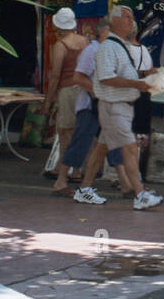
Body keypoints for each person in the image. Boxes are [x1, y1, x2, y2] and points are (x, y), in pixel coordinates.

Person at [73, 5, 163, 210]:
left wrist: (147, 75)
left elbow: (125, 74)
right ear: (113, 21)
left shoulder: (119, 46)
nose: (131, 21)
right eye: (126, 17)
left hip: (121, 106)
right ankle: (140, 194)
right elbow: (106, 78)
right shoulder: (108, 47)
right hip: (113, 106)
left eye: (132, 17)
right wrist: (136, 84)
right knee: (130, 148)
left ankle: (84, 189)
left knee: (101, 148)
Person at [53, 16, 130, 197]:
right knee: (80, 141)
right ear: (105, 31)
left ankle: (125, 183)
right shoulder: (91, 51)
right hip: (90, 105)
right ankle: (61, 181)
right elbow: (78, 77)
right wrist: (96, 91)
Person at [42, 7, 88, 180]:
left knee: (64, 131)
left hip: (67, 90)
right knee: (78, 130)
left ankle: (62, 168)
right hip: (83, 89)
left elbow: (55, 76)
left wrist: (48, 101)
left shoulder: (61, 46)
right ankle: (75, 169)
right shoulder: (84, 42)